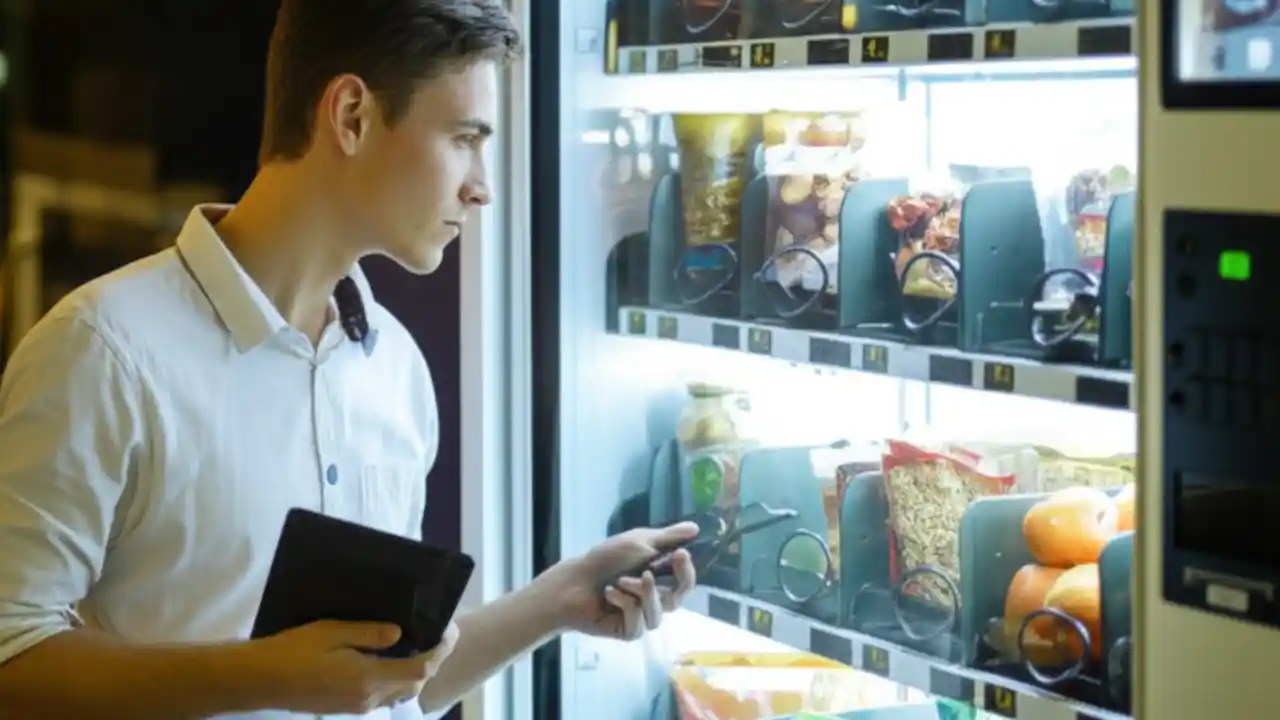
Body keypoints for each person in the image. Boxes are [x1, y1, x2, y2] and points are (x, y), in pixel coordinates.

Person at [0, 2, 698, 719]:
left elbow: (386, 683)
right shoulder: (101, 349)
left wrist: (564, 597)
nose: (482, 185)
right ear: (352, 116)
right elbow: (10, 658)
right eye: (464, 139)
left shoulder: (396, 366)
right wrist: (265, 678)